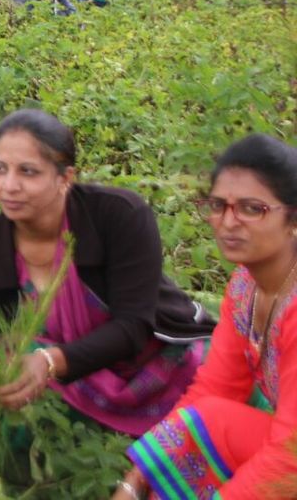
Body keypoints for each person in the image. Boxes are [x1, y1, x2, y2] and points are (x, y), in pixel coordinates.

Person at [0, 109, 214, 498]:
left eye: (28, 172)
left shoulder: (118, 216)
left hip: (157, 360)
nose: (9, 185)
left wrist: (50, 361)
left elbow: (134, 327)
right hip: (73, 378)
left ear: (65, 178)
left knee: (216, 413)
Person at [117, 134, 297, 500]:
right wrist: (136, 479)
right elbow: (214, 390)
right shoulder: (246, 286)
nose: (228, 222)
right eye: (219, 205)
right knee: (208, 419)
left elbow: (291, 456)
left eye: (252, 208)